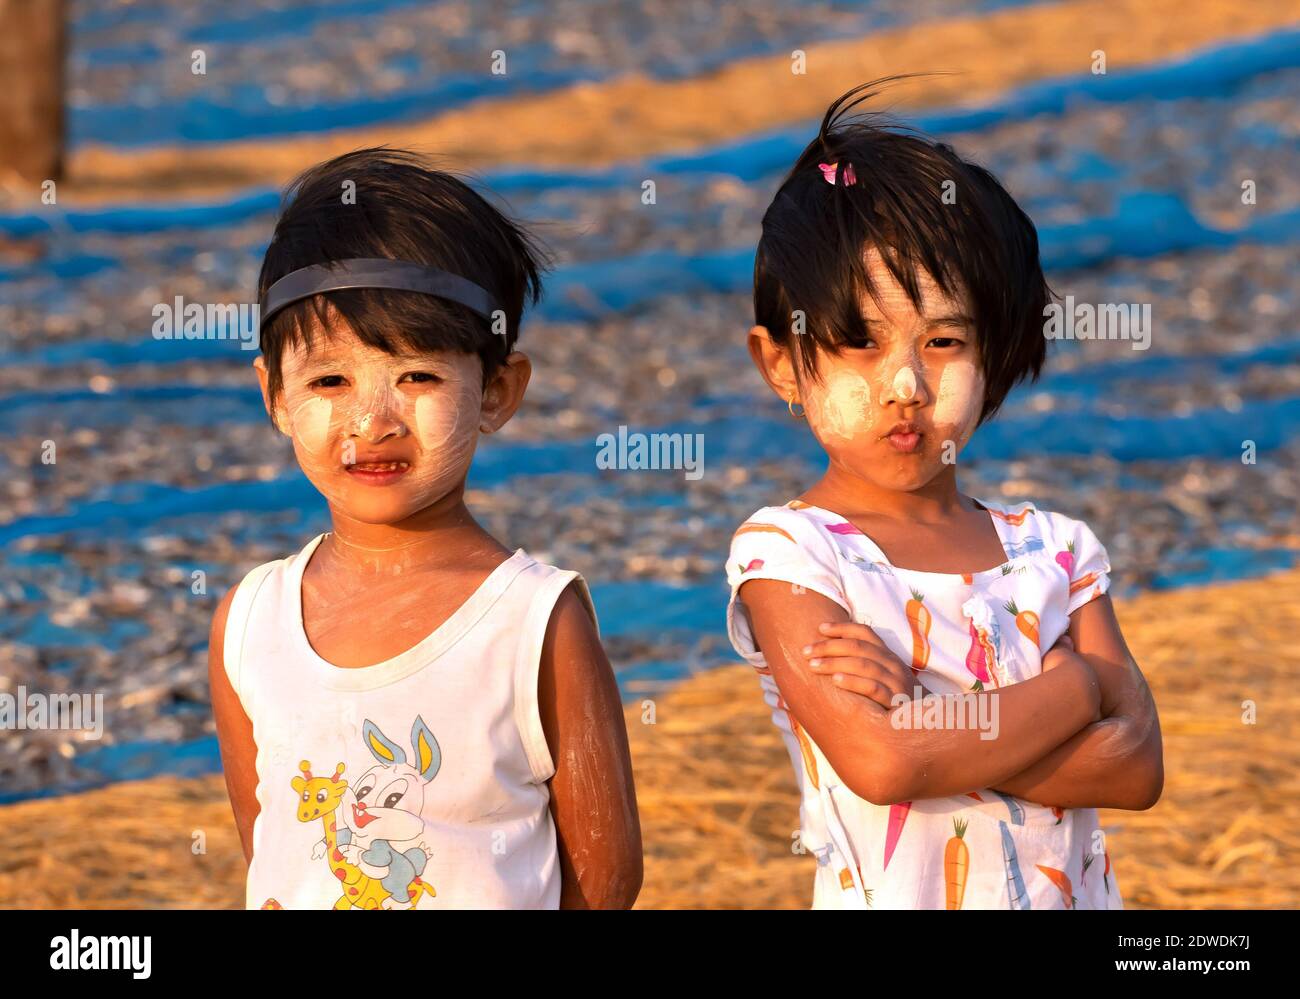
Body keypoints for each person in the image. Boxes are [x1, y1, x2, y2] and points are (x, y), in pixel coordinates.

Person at [725, 83, 1162, 909]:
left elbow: (1135, 770)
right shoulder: (791, 553)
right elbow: (886, 764)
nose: (904, 384)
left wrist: (923, 712)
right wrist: (1079, 692)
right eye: (857, 343)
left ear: (996, 353)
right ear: (780, 361)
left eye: (944, 341)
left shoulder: (1055, 550)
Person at [209, 147, 642, 909]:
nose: (372, 420)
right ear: (275, 395)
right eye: (329, 380)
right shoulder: (250, 624)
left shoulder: (533, 624)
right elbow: (271, 850)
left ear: (498, 391)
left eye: (418, 376)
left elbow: (605, 879)